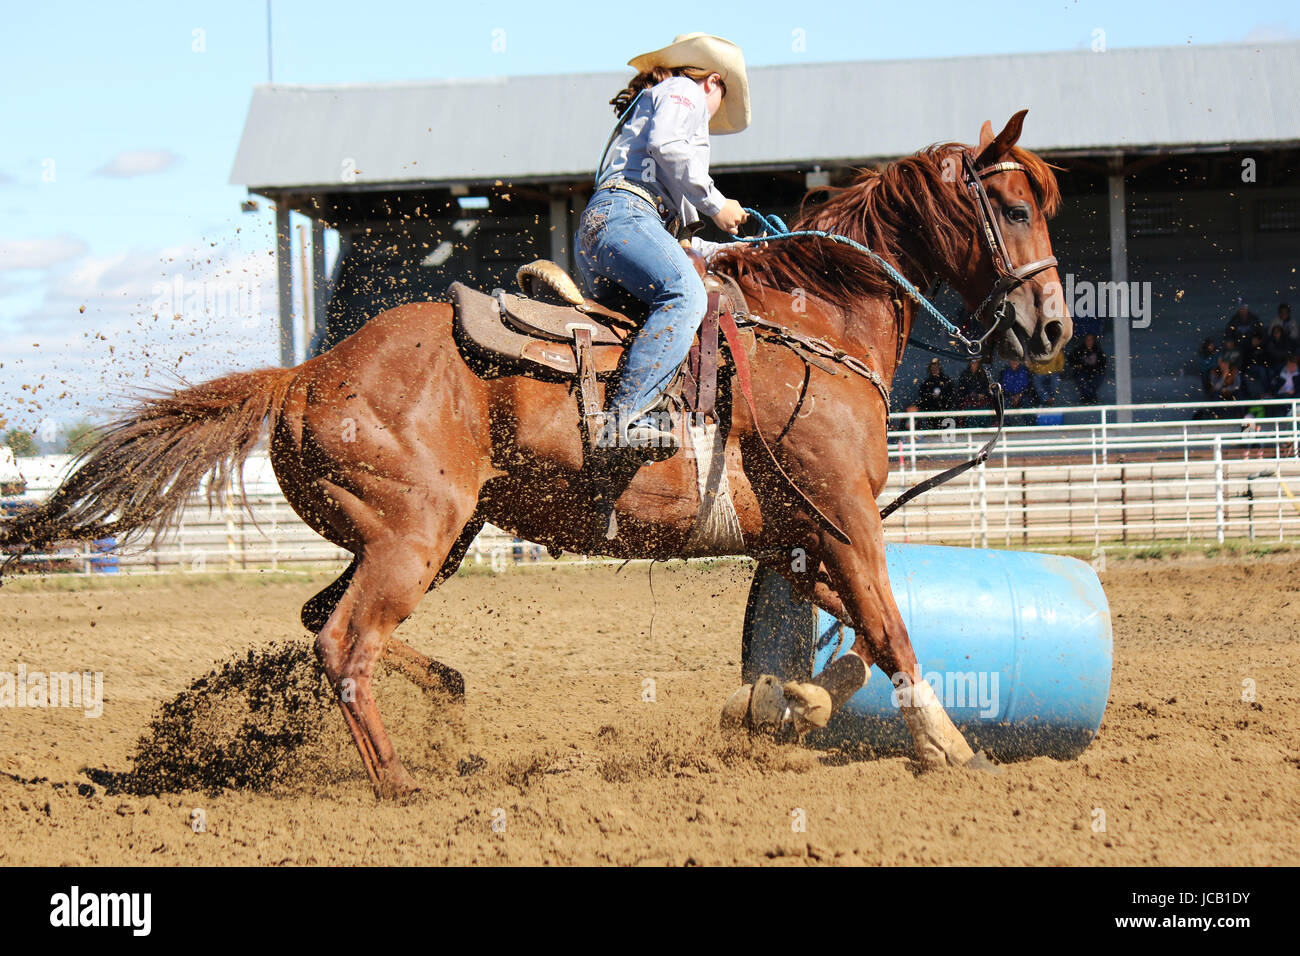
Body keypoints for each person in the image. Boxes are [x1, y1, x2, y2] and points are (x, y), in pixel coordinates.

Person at [575, 33, 751, 458]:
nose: (713, 114)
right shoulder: (684, 89)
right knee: (685, 297)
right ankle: (628, 418)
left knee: (649, 316)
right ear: (713, 81)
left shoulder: (653, 101)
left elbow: (678, 240)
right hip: (627, 216)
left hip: (613, 223)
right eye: (720, 98)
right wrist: (717, 203)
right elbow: (667, 146)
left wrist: (727, 251)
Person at [1068, 333, 1107, 405]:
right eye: (1087, 340)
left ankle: (1091, 397)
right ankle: (1086, 398)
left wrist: (1098, 369)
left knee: (1095, 380)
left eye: (1091, 340)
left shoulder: (1098, 350)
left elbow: (1103, 363)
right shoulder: (1079, 350)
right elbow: (1071, 360)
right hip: (1082, 372)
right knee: (1082, 380)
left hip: (1095, 372)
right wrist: (1077, 366)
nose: (1089, 342)